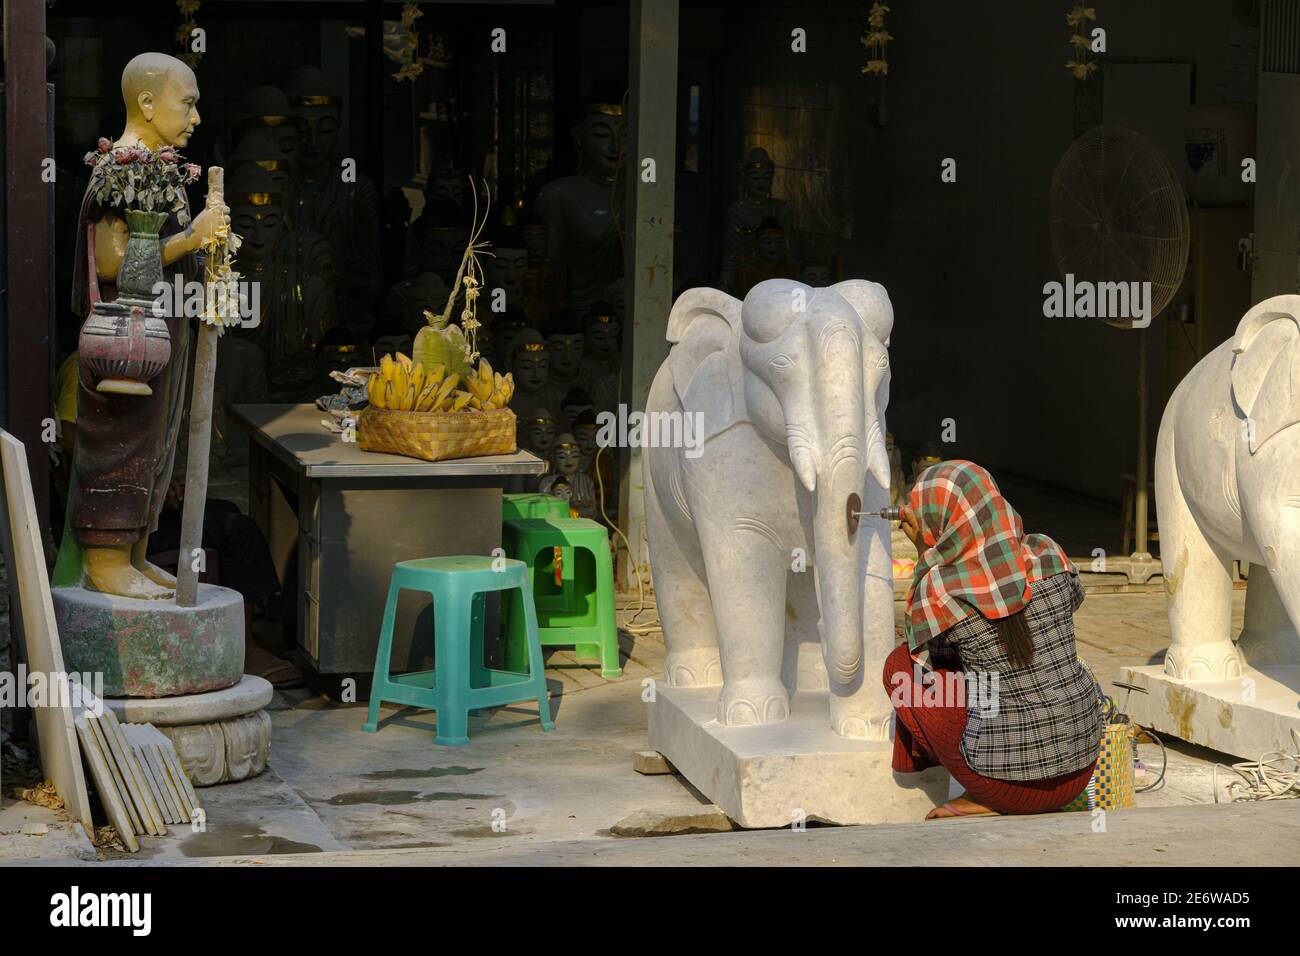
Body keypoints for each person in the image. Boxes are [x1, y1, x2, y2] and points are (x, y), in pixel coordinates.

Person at [884, 460, 1103, 819]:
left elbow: (931, 660)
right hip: (1081, 770)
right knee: (995, 679)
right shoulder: (1049, 553)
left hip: (1008, 789)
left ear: (937, 523)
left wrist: (927, 555)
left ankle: (969, 793)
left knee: (900, 667)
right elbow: (1073, 598)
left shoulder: (941, 587)